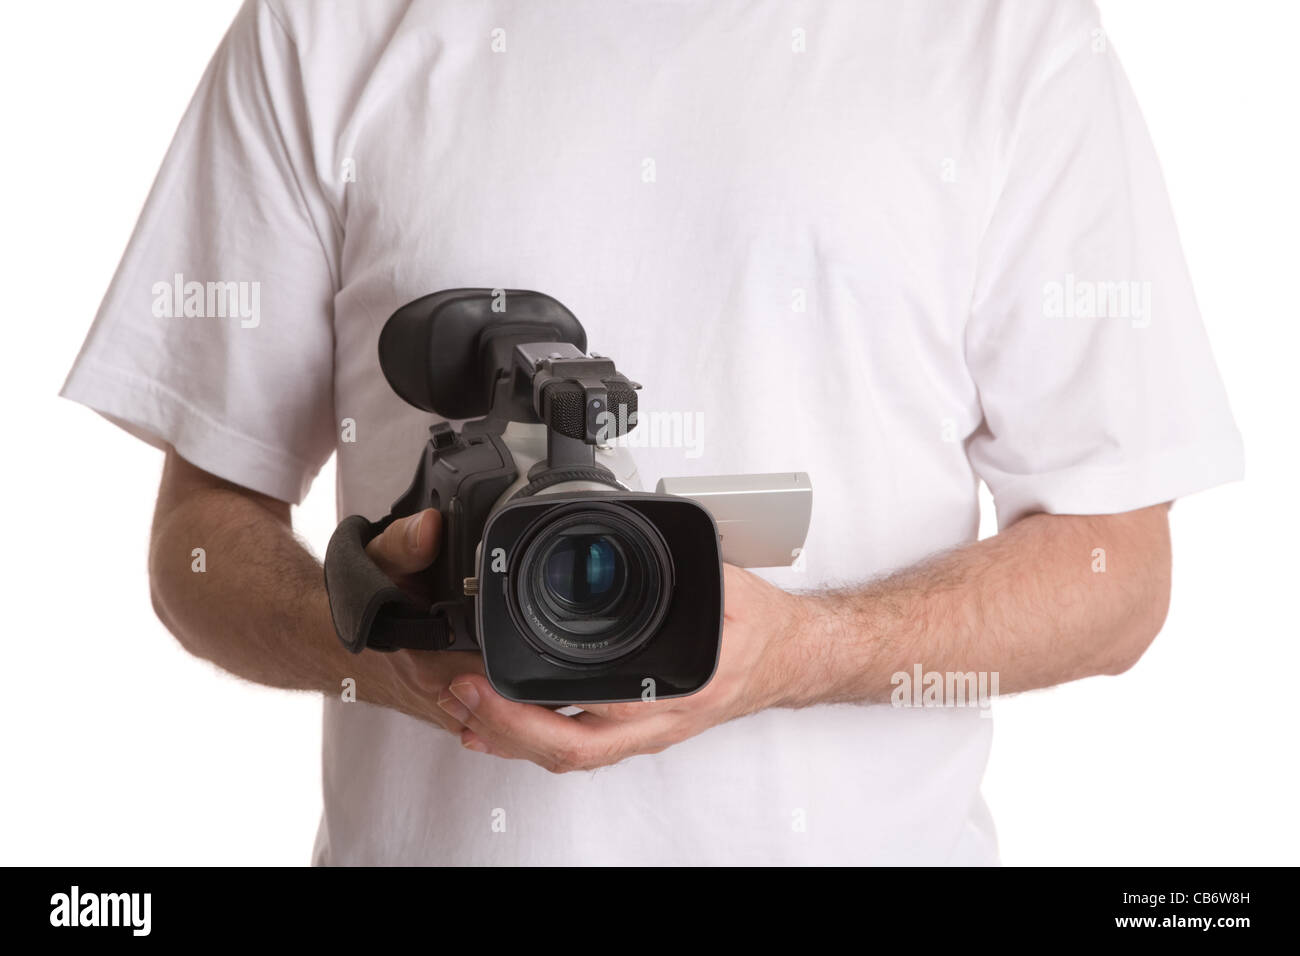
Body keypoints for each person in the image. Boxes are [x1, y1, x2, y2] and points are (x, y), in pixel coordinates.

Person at [62, 0, 1242, 865]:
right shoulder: (324, 26)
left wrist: (806, 651)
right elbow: (199, 545)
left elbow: (1116, 571)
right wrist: (380, 640)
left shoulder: (1011, 41)